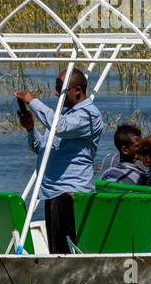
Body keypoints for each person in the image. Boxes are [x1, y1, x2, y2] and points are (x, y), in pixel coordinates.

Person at [15, 69, 104, 254]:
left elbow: (61, 128)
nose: (56, 94)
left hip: (70, 193)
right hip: (52, 192)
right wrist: (31, 129)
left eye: (60, 89)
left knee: (67, 253)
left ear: (77, 90)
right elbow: (42, 147)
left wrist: (33, 101)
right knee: (56, 252)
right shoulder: (62, 114)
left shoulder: (89, 114)